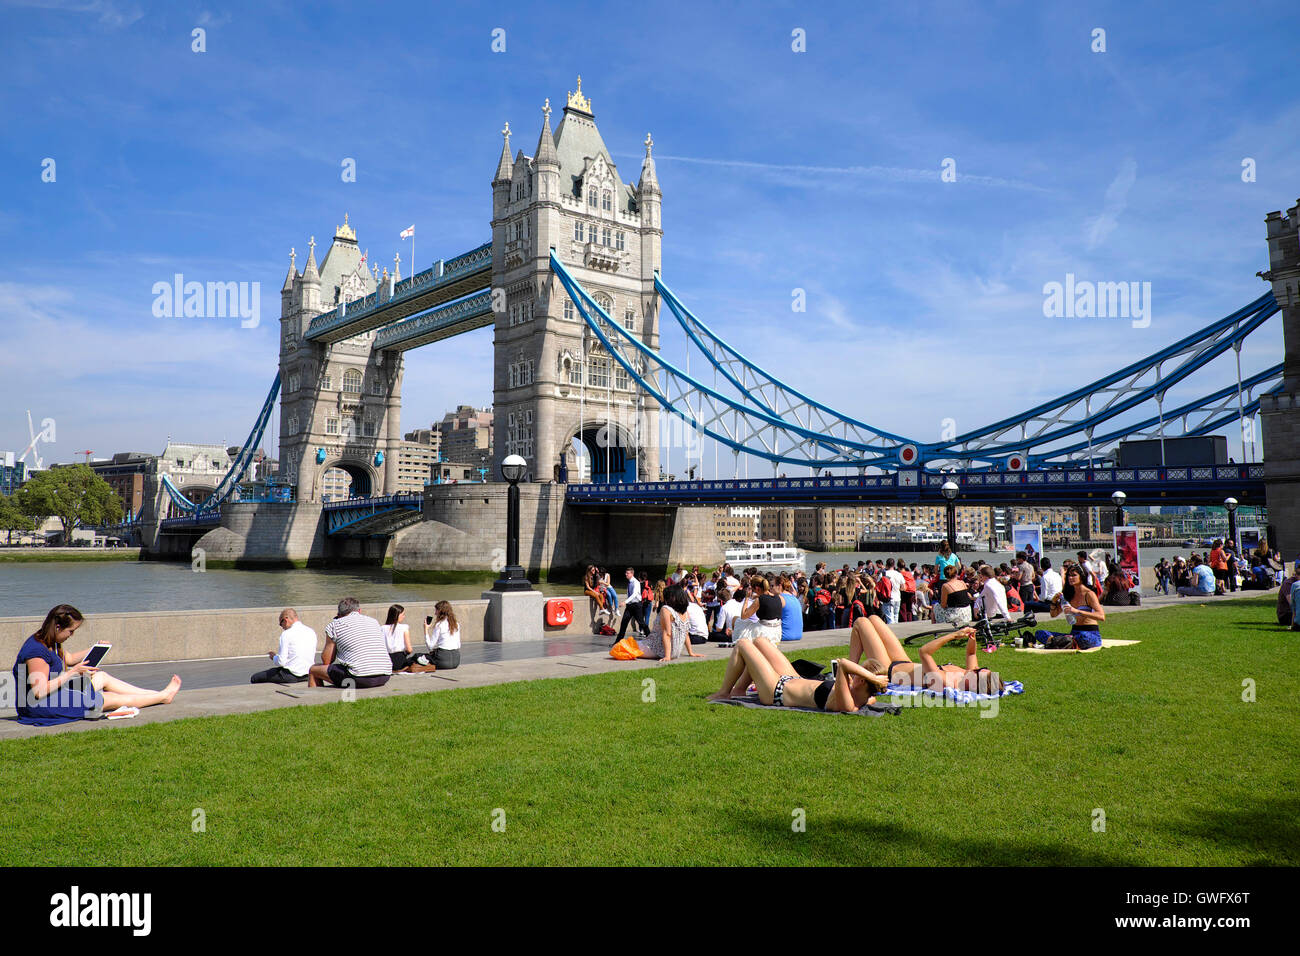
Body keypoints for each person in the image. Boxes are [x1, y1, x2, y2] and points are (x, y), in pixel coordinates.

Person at [12, 604, 181, 725]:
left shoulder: (51, 640)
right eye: (71, 631)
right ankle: (163, 697)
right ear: (57, 627)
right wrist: (72, 673)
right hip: (39, 705)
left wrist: (94, 649)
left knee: (101, 677)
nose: (71, 635)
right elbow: (39, 691)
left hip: (55, 692)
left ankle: (153, 695)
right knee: (110, 699)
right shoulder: (36, 652)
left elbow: (68, 659)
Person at [708, 635, 886, 711]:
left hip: (776, 691)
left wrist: (870, 676)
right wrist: (873, 679)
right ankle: (739, 690)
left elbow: (844, 664)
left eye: (858, 674)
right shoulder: (868, 697)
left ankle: (724, 692)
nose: (853, 676)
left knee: (742, 644)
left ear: (863, 681)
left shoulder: (848, 703)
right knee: (761, 641)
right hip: (792, 679)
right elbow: (845, 666)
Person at [847, 614, 1005, 694]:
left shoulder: (946, 682)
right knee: (874, 618)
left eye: (978, 671)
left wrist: (954, 636)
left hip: (888, 669)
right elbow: (971, 654)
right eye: (981, 668)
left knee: (861, 623)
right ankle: (850, 673)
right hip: (903, 662)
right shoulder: (967, 674)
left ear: (976, 684)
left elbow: (924, 652)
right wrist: (972, 637)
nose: (976, 668)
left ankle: (849, 675)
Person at [307, 597, 392, 689]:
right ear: (359, 611)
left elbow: (327, 660)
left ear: (339, 613)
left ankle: (316, 699)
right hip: (385, 675)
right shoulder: (374, 622)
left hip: (358, 677)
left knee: (313, 670)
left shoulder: (334, 625)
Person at [250, 607, 317, 684]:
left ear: (286, 620)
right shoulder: (311, 631)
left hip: (290, 675)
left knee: (255, 678)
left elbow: (281, 662)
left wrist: (274, 657)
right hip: (308, 674)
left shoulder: (286, 634)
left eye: (281, 623)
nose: (282, 627)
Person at [643, 584, 705, 662]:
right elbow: (686, 634)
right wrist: (691, 652)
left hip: (656, 648)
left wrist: (667, 656)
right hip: (675, 652)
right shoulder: (685, 613)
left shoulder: (666, 609)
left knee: (626, 647)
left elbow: (667, 633)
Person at [1049, 565, 1106, 648]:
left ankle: (1059, 643)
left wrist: (1077, 611)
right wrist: (1054, 602)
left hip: (1089, 633)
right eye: (1068, 575)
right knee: (1041, 633)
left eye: (1074, 575)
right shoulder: (1068, 594)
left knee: (1083, 637)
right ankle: (1065, 642)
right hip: (1074, 633)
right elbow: (1053, 614)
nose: (1070, 578)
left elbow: (1101, 616)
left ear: (1081, 577)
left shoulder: (1089, 594)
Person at [737, 576, 783, 642]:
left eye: (753, 590)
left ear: (757, 588)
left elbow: (743, 616)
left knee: (739, 621)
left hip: (764, 631)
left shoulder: (759, 600)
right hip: (777, 631)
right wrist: (757, 596)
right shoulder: (777, 597)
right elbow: (767, 598)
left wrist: (746, 598)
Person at [418, 600, 462, 669]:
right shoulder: (456, 624)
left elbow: (430, 646)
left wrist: (426, 629)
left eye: (436, 611)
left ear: (440, 612)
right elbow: (458, 645)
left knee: (418, 656)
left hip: (443, 660)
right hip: (456, 660)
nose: (435, 613)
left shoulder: (439, 625)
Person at [614, 567, 645, 642]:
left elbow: (634, 594)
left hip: (636, 605)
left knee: (641, 623)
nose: (626, 574)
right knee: (623, 623)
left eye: (627, 573)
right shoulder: (629, 582)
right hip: (630, 606)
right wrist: (627, 603)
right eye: (626, 573)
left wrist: (625, 602)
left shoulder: (636, 582)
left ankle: (650, 637)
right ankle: (617, 642)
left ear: (632, 574)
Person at [381, 604, 415, 672]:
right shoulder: (404, 627)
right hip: (400, 659)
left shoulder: (382, 628)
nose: (404, 617)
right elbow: (409, 649)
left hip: (387, 660)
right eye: (403, 615)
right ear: (397, 615)